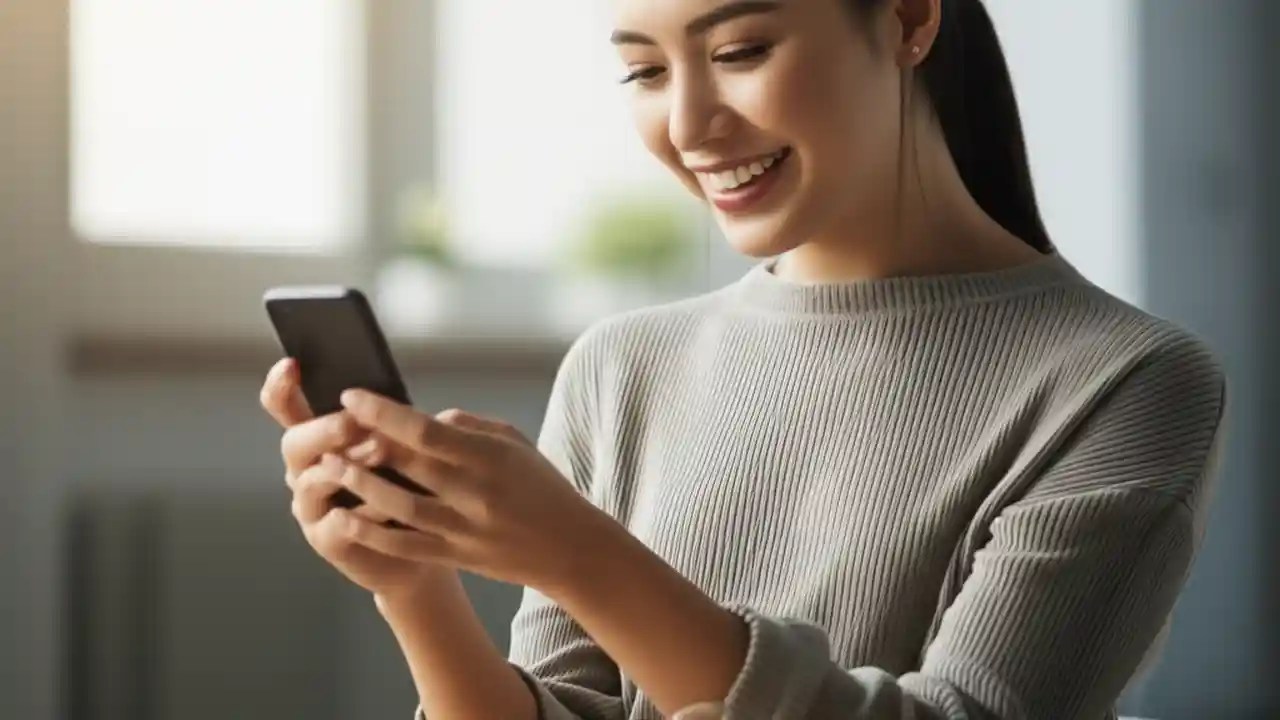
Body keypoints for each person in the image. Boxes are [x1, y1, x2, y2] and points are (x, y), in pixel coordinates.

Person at [259, 0, 1228, 718]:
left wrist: (579, 554)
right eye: (643, 71)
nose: (686, 127)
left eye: (738, 50)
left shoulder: (1126, 381)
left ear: (907, 18)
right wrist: (411, 586)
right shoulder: (619, 367)